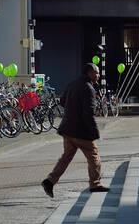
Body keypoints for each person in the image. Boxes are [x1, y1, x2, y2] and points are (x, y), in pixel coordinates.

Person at [41, 63, 107, 197]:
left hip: (67, 129)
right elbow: (88, 113)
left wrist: (73, 108)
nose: (98, 75)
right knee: (93, 155)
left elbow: (63, 101)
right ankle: (95, 184)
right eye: (96, 72)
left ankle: (49, 181)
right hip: (80, 131)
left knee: (66, 158)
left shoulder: (73, 84)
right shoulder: (88, 88)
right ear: (89, 73)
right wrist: (94, 132)